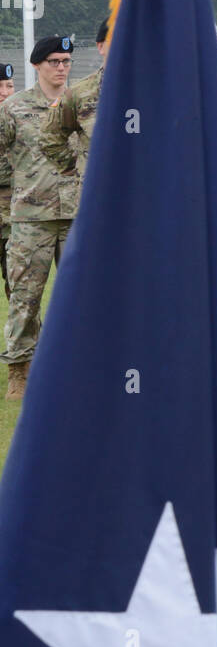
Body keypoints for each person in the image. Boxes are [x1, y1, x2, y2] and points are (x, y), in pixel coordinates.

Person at [0, 36, 77, 400]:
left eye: (65, 61)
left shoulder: (84, 105)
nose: (61, 67)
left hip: (80, 217)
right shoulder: (14, 108)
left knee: (84, 294)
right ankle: (19, 368)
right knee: (25, 296)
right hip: (32, 218)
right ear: (36, 65)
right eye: (53, 61)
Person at [41, 18, 109, 204]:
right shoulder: (80, 93)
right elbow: (50, 139)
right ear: (100, 46)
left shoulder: (158, 89)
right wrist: (81, 168)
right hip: (98, 198)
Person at [0, 64, 14, 299]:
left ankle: (29, 337)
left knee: (20, 288)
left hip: (14, 219)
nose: (5, 92)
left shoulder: (23, 120)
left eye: (9, 86)